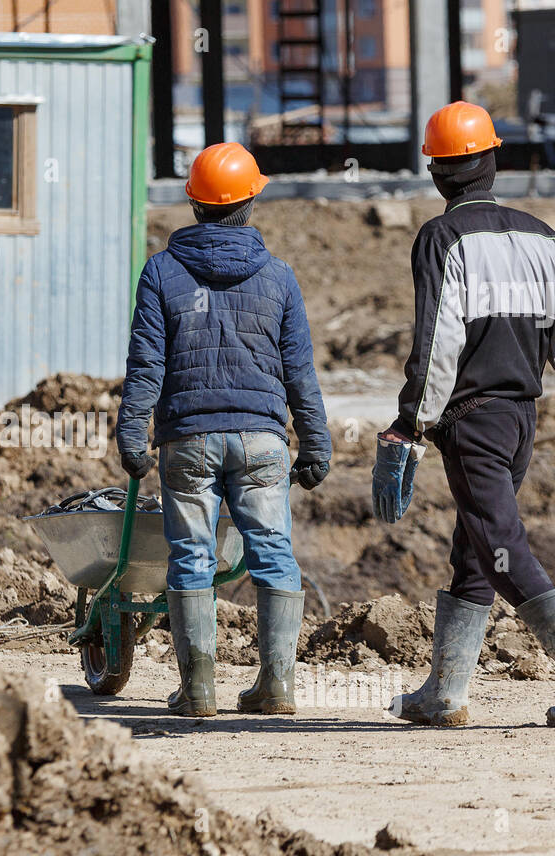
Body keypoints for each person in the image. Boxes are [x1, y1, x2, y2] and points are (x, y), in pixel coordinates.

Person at [373, 101, 555, 728]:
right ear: (493, 160)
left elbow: (438, 340)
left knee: (501, 548)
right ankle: (445, 693)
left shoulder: (442, 238)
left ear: (436, 172)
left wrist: (411, 421)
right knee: (476, 545)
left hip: (472, 420)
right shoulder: (541, 237)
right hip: (520, 421)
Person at [116, 142, 331, 718]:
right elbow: (299, 372)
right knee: (274, 552)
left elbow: (146, 364)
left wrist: (132, 434)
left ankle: (198, 691)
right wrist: (315, 444)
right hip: (262, 440)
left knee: (191, 555)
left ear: (194, 203)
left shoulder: (161, 272)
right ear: (251, 201)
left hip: (188, 438)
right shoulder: (279, 277)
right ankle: (277, 687)